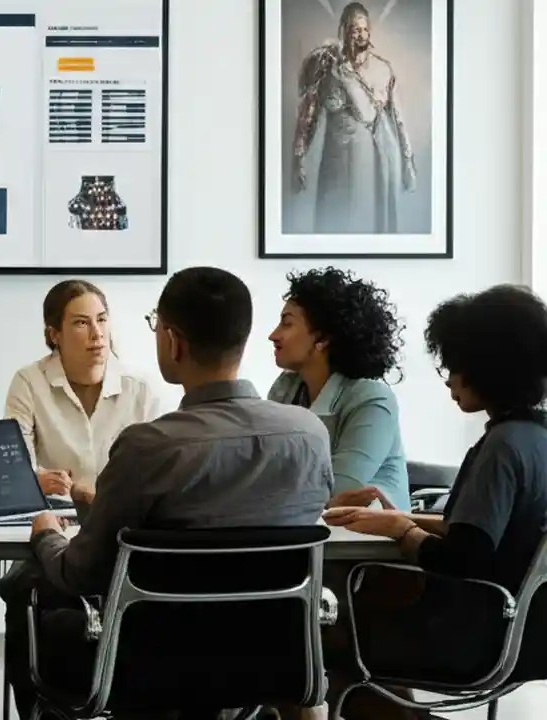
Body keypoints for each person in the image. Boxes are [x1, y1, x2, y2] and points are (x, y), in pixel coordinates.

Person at [1, 267, 334, 717]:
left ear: (173, 342)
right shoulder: (309, 435)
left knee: (29, 591)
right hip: (275, 661)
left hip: (148, 666)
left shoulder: (147, 447)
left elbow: (81, 573)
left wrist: (45, 534)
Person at [322, 285, 547, 719]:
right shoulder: (534, 438)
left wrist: (400, 530)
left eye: (455, 366)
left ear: (487, 368)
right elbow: (485, 528)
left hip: (472, 635)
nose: (449, 379)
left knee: (322, 634)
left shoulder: (502, 447)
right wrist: (400, 517)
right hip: (529, 631)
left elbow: (465, 555)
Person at [267, 267, 410, 511]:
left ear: (323, 338)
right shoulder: (285, 388)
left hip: (370, 541)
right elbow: (268, 471)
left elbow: (341, 487)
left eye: (287, 324)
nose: (273, 335)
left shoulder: (373, 399)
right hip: (310, 529)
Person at [5, 280, 160, 497]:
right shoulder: (28, 382)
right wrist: (35, 481)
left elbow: (156, 473)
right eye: (81, 323)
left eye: (102, 319)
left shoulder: (139, 388)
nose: (97, 333)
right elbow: (14, 470)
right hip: (57, 516)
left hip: (121, 518)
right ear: (54, 335)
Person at [292, 2, 416, 234]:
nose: (360, 35)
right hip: (336, 164)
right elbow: (308, 117)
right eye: (354, 30)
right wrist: (298, 158)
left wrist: (408, 161)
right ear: (344, 31)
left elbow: (398, 119)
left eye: (364, 29)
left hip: (375, 163)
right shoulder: (326, 67)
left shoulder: (382, 70)